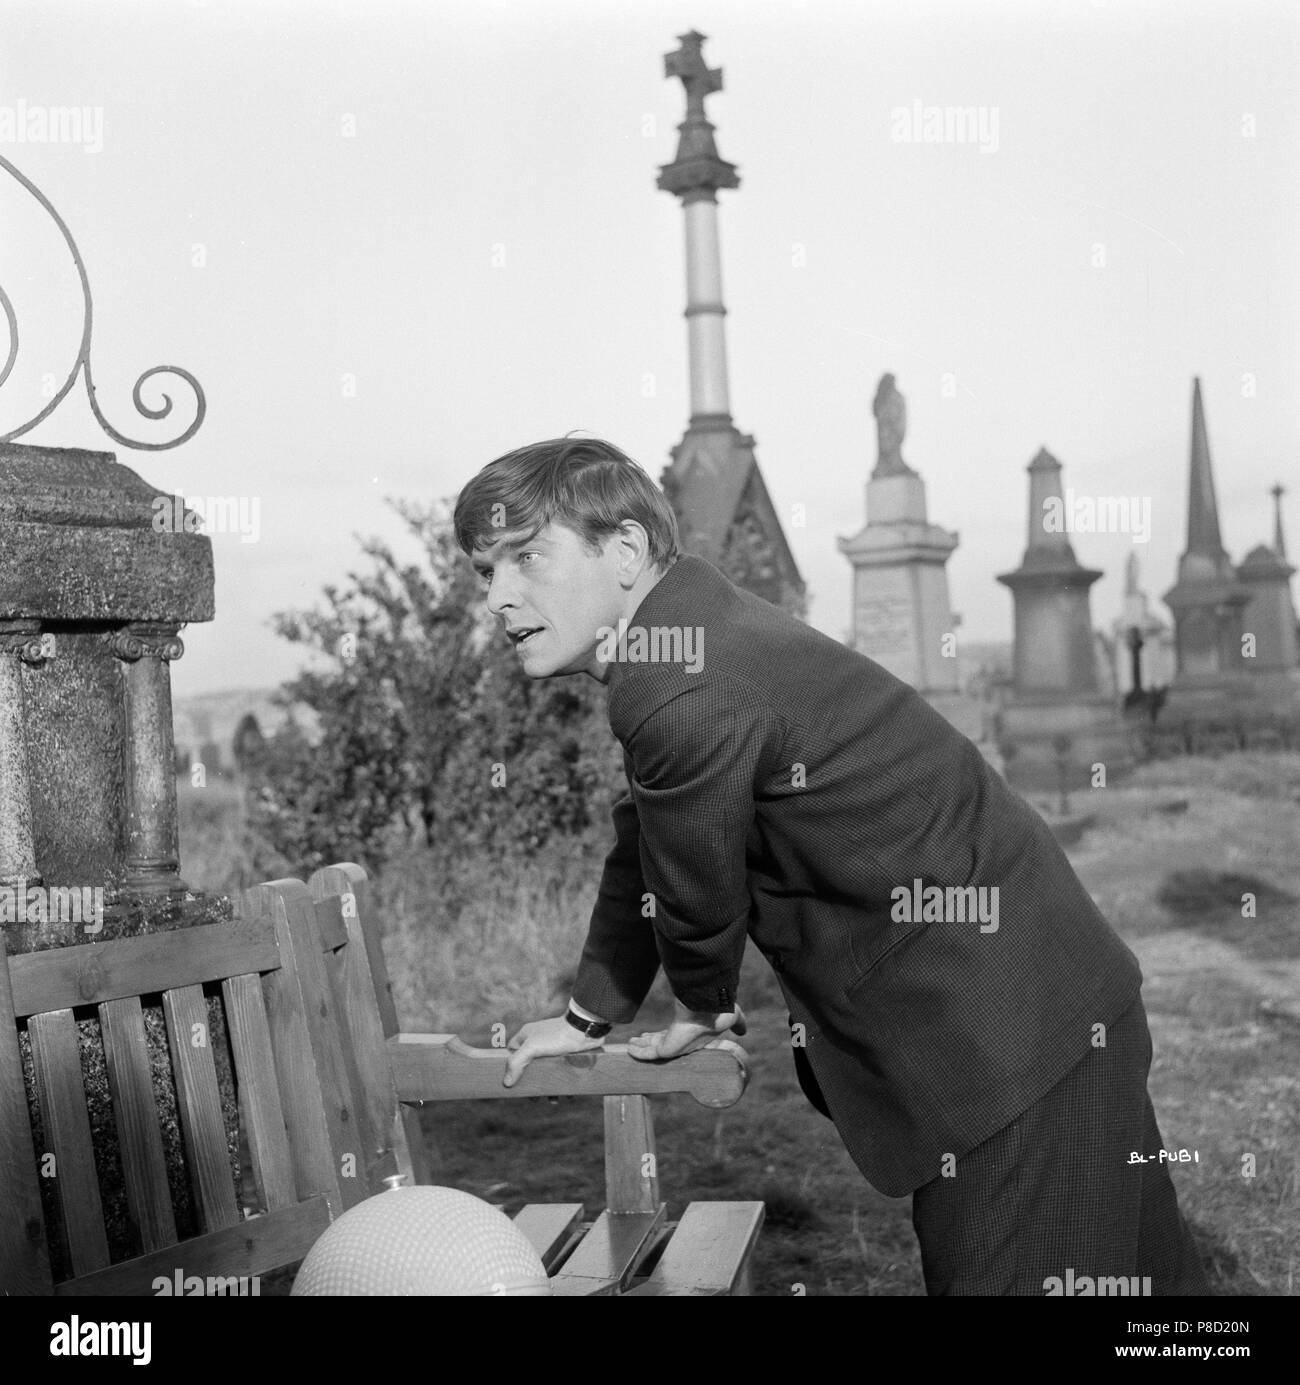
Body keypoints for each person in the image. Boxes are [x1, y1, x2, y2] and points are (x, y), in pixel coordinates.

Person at [451, 436, 1209, 1296]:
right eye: (486, 571)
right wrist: (591, 1015)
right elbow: (652, 844)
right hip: (1056, 1003)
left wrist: (702, 1002)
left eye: (527, 557)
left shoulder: (675, 678)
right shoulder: (686, 634)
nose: (500, 597)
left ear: (624, 551)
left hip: (1006, 1045)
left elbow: (692, 882)